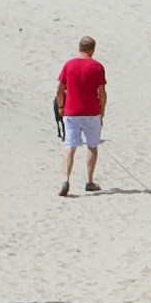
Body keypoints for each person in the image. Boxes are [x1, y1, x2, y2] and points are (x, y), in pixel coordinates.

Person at [52, 35, 107, 196]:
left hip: (72, 111)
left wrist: (61, 106)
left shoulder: (69, 65)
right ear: (93, 50)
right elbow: (102, 93)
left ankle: (66, 179)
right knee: (92, 146)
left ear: (79, 48)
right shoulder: (97, 67)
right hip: (91, 112)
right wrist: (102, 111)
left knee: (70, 146)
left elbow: (60, 89)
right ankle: (89, 180)